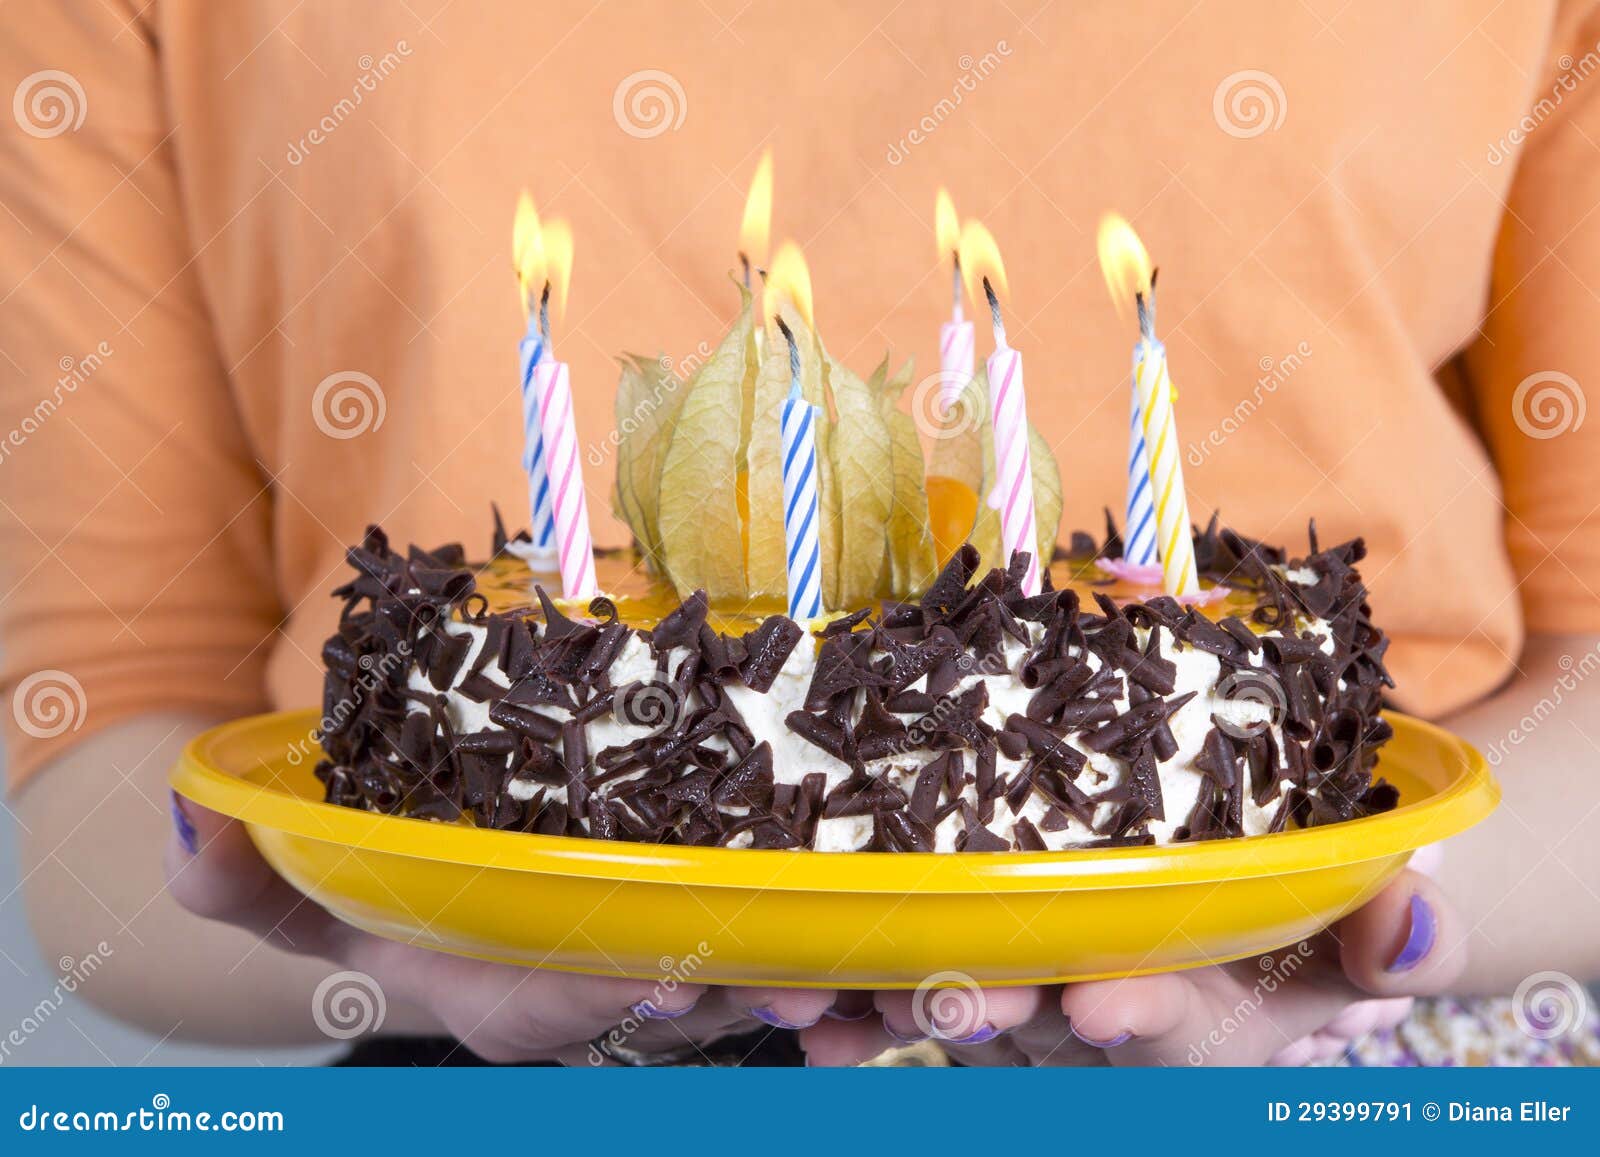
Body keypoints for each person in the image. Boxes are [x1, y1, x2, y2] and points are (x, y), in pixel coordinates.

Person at [3, 1, 1598, 1068]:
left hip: (1365, 1051)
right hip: (479, 1070)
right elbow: (105, 734)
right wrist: (376, 943)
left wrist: (1362, 923)